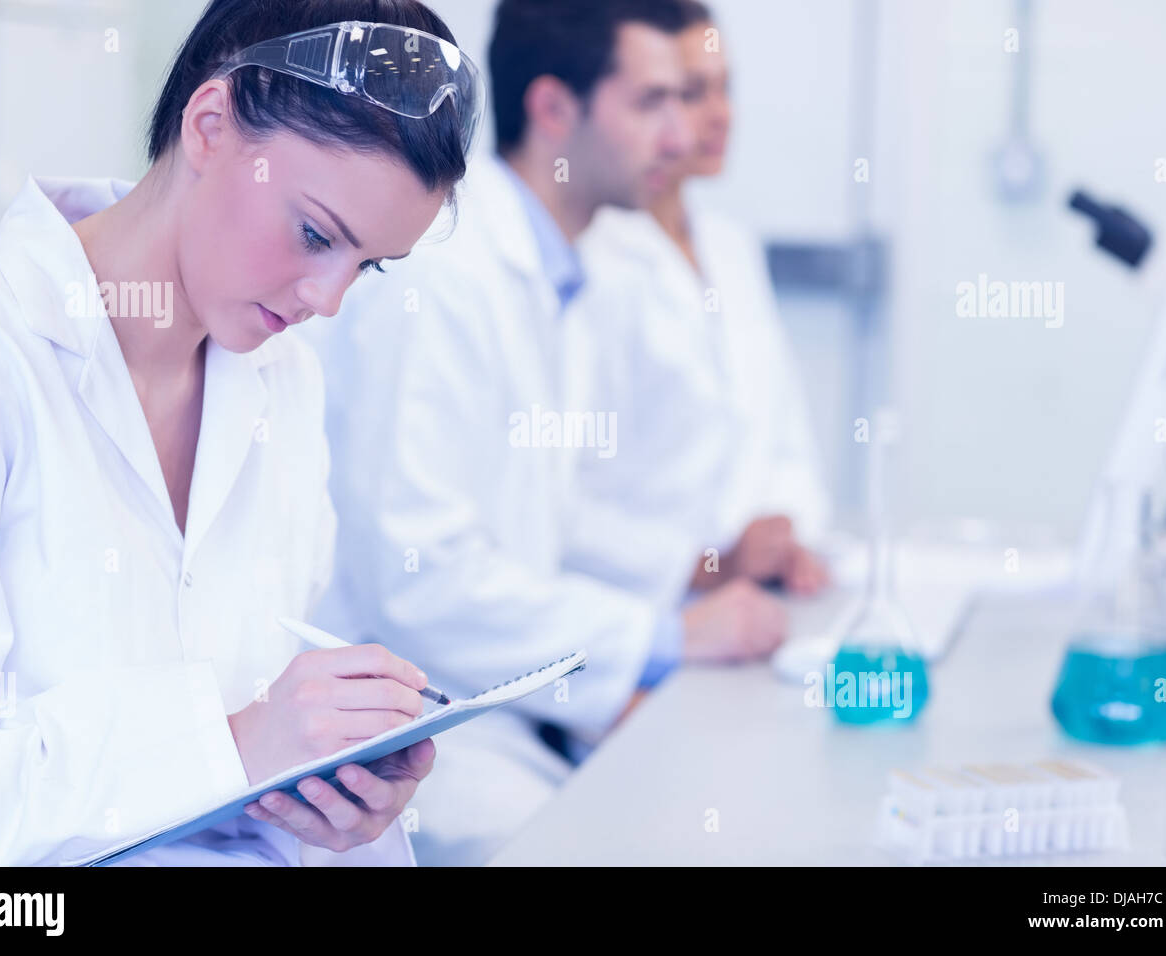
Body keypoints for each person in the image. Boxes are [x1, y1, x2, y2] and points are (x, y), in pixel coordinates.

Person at [0, 0, 481, 866]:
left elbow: (267, 730)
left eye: (365, 267)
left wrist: (333, 788)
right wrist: (235, 745)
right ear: (210, 125)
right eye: (313, 234)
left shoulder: (284, 381)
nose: (325, 300)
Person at [304, 0, 790, 867]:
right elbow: (420, 578)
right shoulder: (446, 278)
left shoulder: (568, 274)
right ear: (554, 109)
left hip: (502, 703)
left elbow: (547, 524)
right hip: (413, 739)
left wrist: (691, 580)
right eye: (652, 104)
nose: (682, 139)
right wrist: (663, 641)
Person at [578, 0, 832, 599]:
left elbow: (784, 437)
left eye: (726, 89)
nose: (720, 115)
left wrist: (785, 538)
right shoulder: (593, 255)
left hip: (758, 598)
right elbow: (568, 500)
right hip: (638, 607)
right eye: (693, 92)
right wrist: (709, 562)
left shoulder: (731, 246)